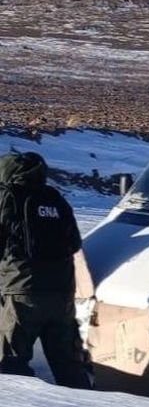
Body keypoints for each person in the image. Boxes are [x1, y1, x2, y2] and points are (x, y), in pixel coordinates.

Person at [0, 151, 91, 388]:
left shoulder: (6, 197)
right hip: (62, 294)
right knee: (69, 366)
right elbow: (75, 244)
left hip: (22, 293)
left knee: (10, 365)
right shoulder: (55, 198)